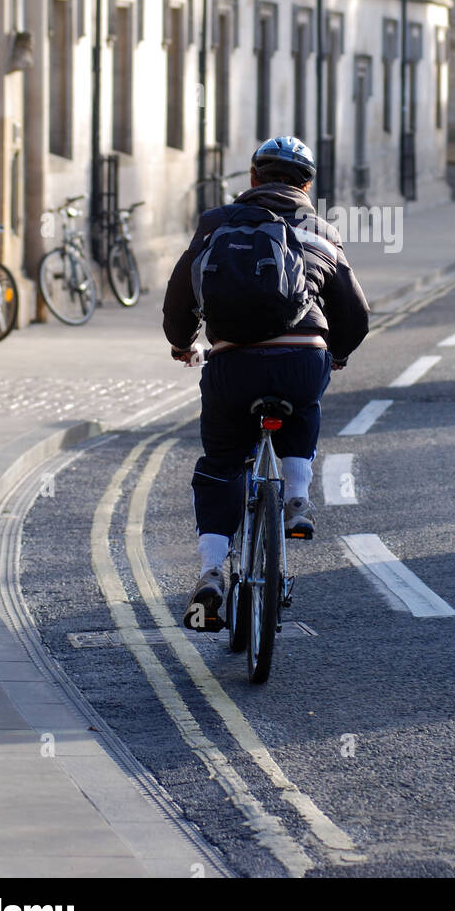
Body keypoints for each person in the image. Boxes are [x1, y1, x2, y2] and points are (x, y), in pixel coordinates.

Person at [162, 136, 369, 630]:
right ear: (308, 185)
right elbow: (356, 315)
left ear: (252, 179)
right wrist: (334, 354)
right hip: (301, 360)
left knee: (220, 464)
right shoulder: (323, 230)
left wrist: (182, 342)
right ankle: (297, 497)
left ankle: (211, 573)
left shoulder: (215, 224)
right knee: (305, 401)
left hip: (232, 365)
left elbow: (178, 296)